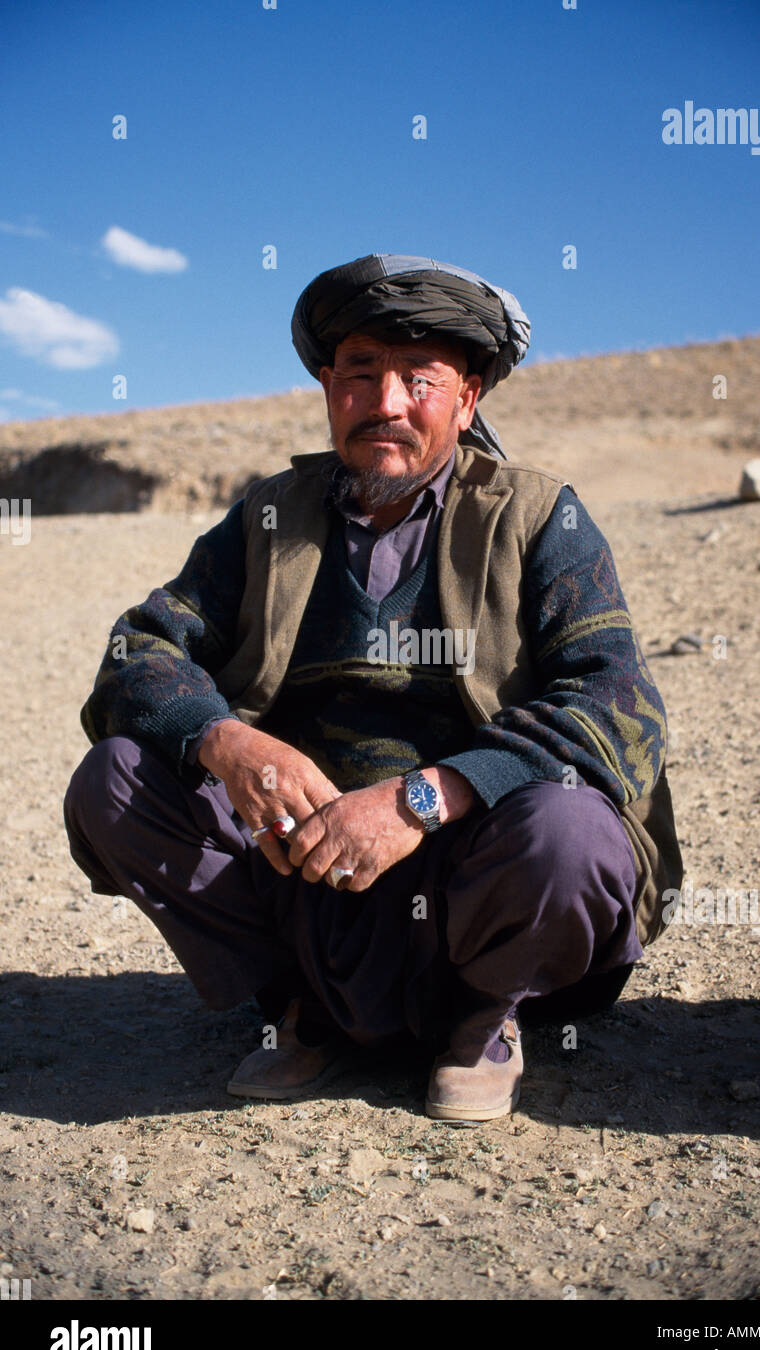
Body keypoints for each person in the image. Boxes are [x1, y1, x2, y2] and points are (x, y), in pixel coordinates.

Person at [64, 253, 682, 1122]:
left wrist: (419, 800)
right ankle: (302, 1007)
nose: (386, 403)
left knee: (570, 828)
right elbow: (140, 648)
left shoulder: (540, 516)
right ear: (327, 386)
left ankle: (482, 1017)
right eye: (360, 373)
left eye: (419, 379)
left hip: (478, 867)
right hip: (303, 866)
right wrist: (227, 741)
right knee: (117, 778)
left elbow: (618, 703)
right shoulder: (268, 516)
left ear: (468, 398)